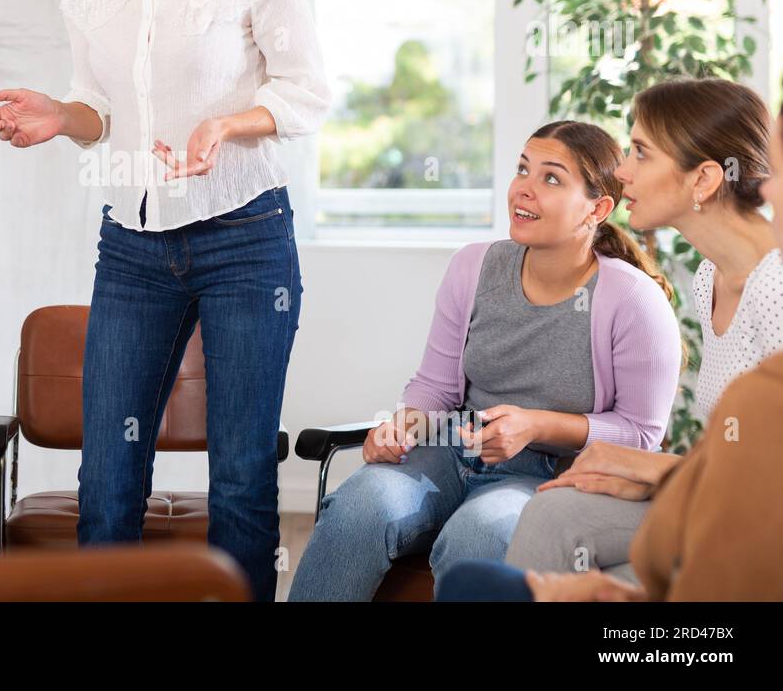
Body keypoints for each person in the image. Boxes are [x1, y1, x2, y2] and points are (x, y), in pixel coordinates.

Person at [0, 0, 331, 601]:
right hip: (132, 245)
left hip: (244, 234)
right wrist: (59, 116)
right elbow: (102, 111)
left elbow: (307, 90)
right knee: (108, 472)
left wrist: (227, 126)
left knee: (241, 473)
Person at [288, 120, 681, 601]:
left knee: (478, 537)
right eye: (523, 169)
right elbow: (437, 388)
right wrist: (403, 425)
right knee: (357, 507)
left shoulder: (631, 300)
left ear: (597, 208)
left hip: (546, 475)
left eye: (551, 178)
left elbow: (641, 435)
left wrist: (535, 425)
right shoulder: (473, 267)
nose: (524, 189)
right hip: (449, 449)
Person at [438, 94, 783, 603]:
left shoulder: (773, 288)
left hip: (749, 513)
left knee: (552, 525)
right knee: (554, 516)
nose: (622, 171)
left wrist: (663, 471)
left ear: (704, 180)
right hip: (720, 493)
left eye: (641, 153)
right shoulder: (712, 276)